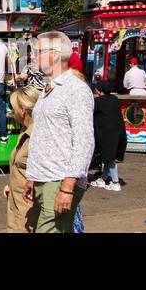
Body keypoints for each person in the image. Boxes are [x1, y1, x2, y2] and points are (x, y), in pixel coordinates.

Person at [24, 31, 94, 234]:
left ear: (54, 55)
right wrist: (32, 176)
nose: (32, 57)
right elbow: (45, 134)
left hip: (60, 178)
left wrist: (68, 187)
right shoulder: (50, 88)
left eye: (37, 52)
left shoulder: (75, 89)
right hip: (44, 177)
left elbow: (84, 141)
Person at [3, 86, 41, 232]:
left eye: (13, 108)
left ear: (22, 110)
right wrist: (10, 185)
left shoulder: (38, 135)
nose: (11, 113)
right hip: (16, 203)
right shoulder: (24, 133)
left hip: (28, 209)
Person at [91, 78, 126, 191]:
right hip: (118, 131)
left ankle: (115, 182)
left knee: (109, 158)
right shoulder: (114, 99)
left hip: (106, 133)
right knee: (109, 156)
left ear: (99, 90)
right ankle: (102, 179)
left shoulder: (98, 102)